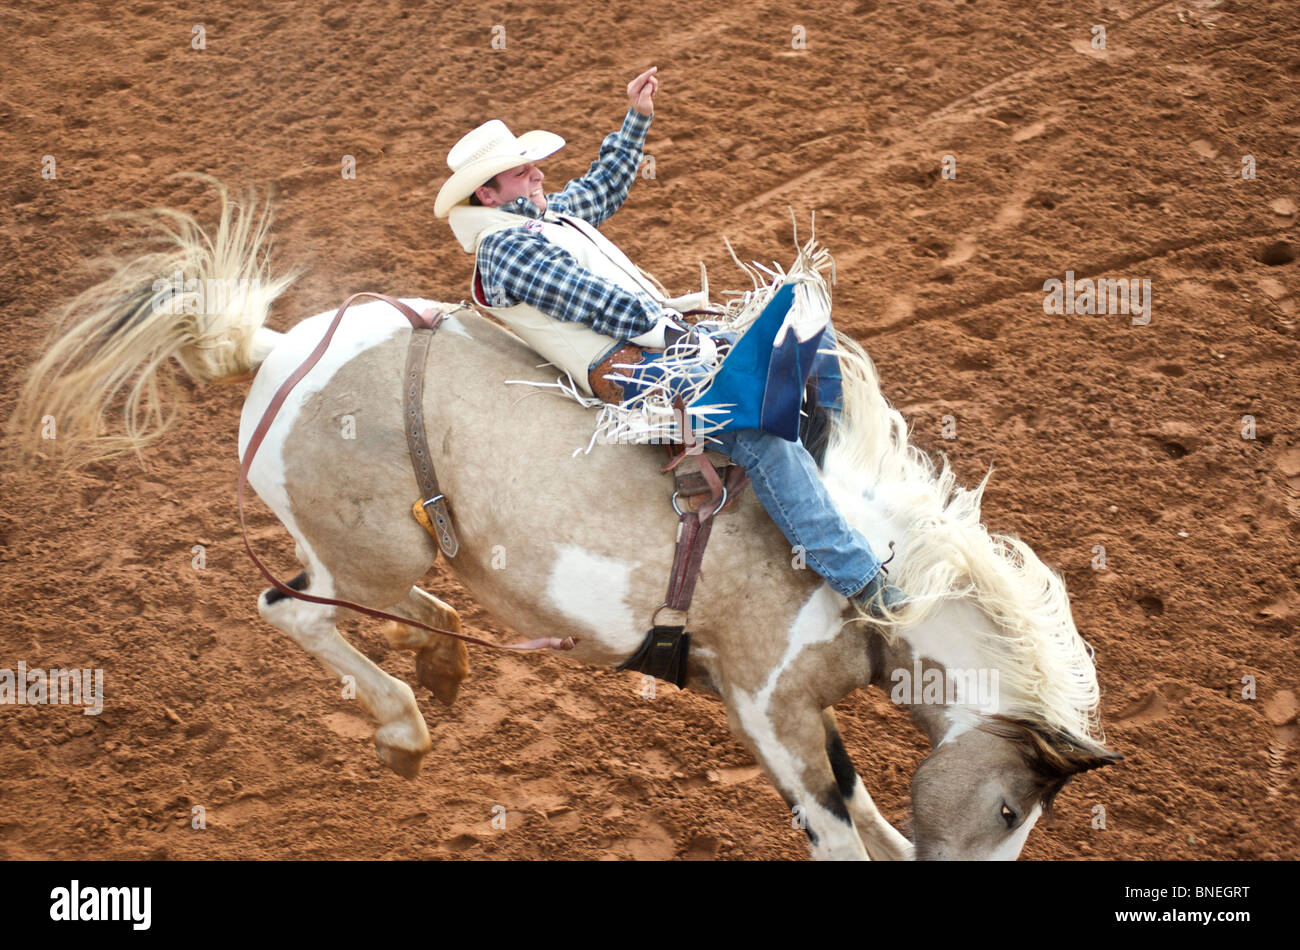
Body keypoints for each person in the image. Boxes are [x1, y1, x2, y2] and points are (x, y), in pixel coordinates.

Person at [434, 67, 904, 617]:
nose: (538, 173)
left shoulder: (538, 217)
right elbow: (593, 302)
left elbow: (600, 189)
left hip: (660, 343)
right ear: (488, 195)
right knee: (753, 427)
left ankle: (823, 489)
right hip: (630, 369)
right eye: (521, 172)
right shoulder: (505, 249)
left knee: (812, 346)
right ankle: (863, 584)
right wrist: (681, 335)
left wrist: (636, 119)